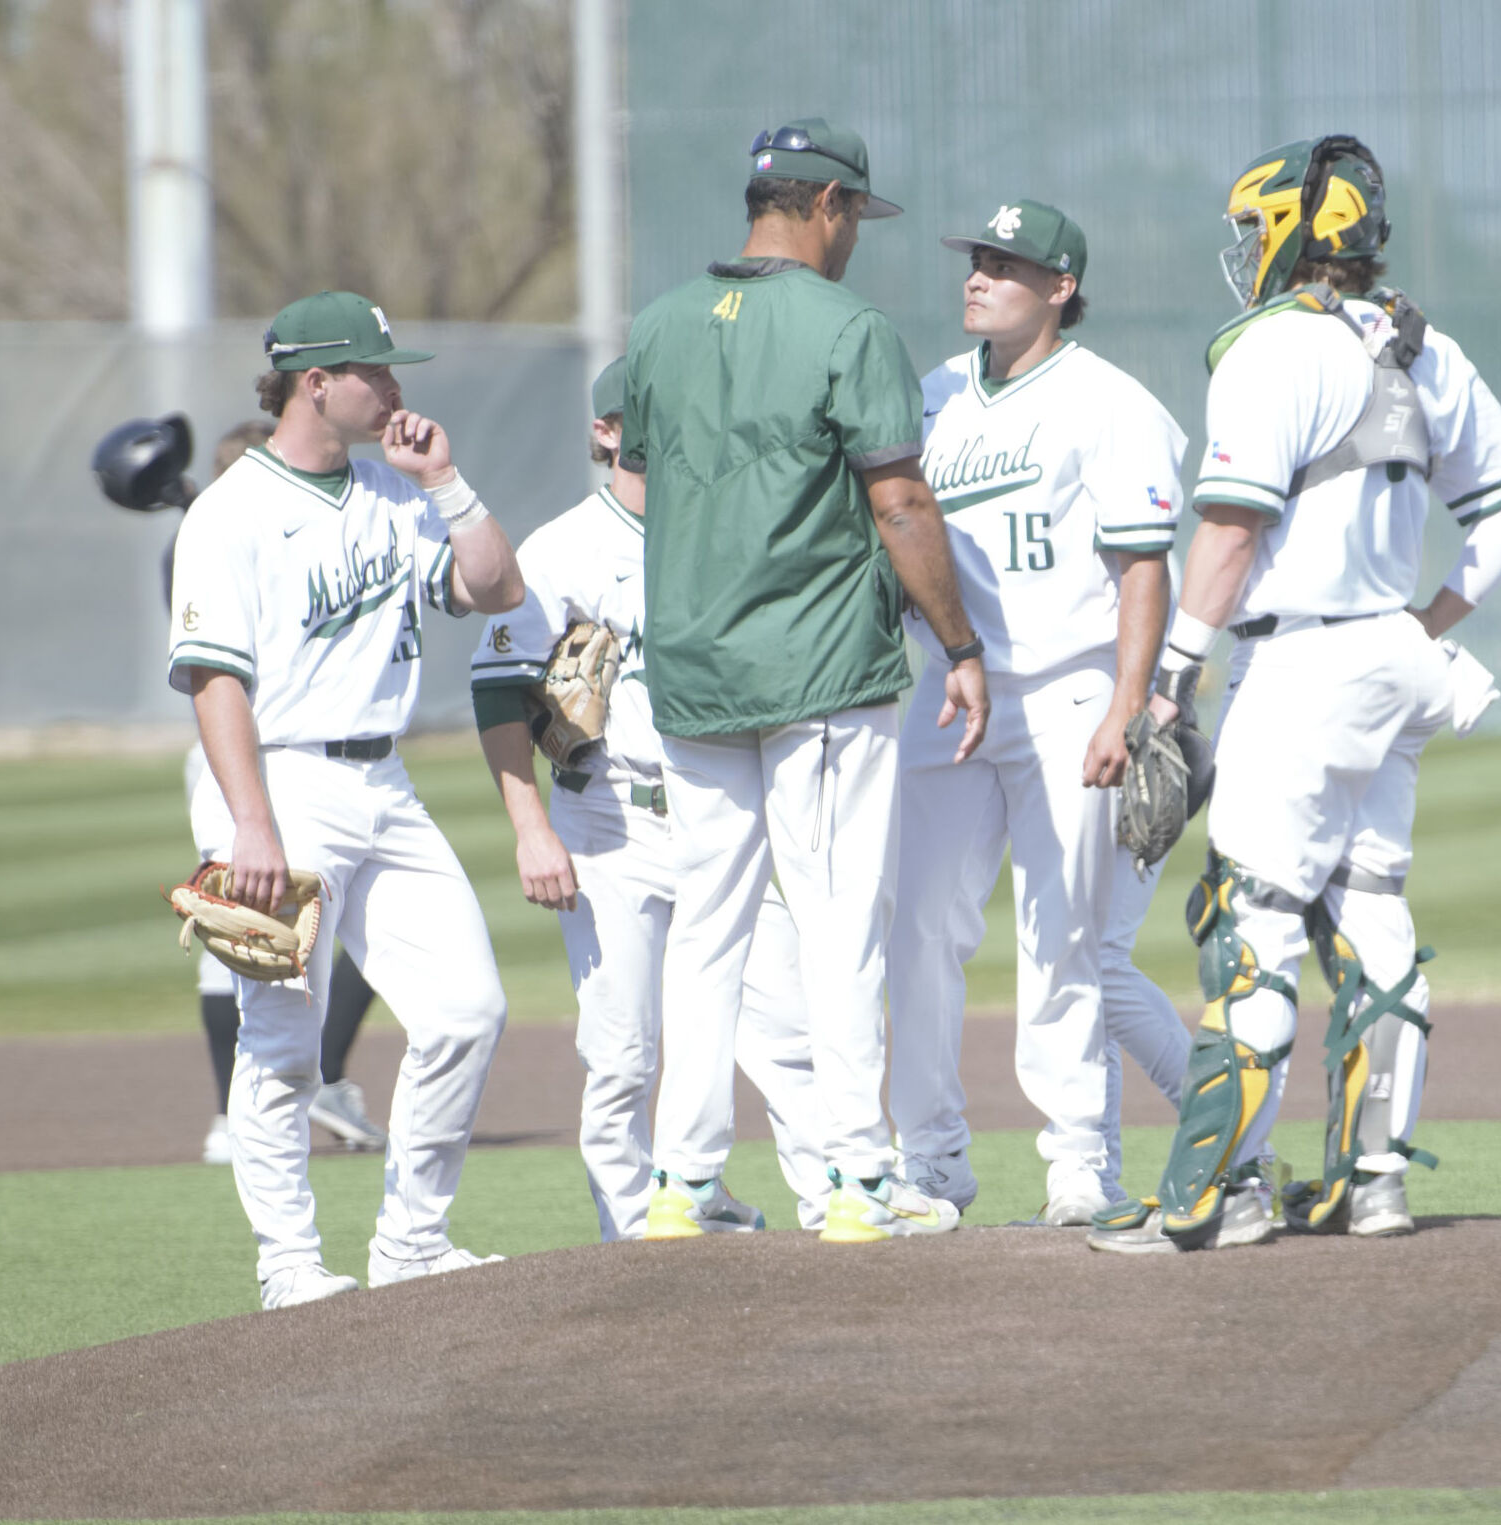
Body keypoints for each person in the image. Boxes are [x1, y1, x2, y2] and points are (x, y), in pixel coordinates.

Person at [1089, 135, 1501, 1253]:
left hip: (1297, 666)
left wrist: (1168, 681)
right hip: (1392, 663)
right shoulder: (1417, 346)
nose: (1243, 247)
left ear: (1300, 230)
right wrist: (1426, 622)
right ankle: (1371, 1180)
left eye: (1254, 227)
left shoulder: (1271, 350)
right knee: (1372, 913)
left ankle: (1216, 1197)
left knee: (1248, 924)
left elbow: (1232, 528)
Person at [618, 117, 990, 1243]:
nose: (855, 238)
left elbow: (633, 472)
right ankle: (855, 1184)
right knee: (838, 927)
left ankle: (681, 1185)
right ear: (824, 206)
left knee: (707, 931)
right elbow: (899, 501)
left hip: (691, 666)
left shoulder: (661, 322)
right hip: (819, 667)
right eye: (853, 218)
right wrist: (962, 649)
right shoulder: (848, 326)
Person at [169, 290, 525, 1307]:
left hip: (385, 780)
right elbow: (213, 680)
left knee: (466, 1009)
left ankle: (411, 1240)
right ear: (315, 383)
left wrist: (448, 482)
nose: (396, 385)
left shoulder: (398, 491)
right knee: (281, 1039)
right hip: (277, 781)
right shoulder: (228, 512)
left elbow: (496, 589)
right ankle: (288, 1264)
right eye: (377, 369)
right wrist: (249, 821)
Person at [471, 358, 830, 1239]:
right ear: (606, 432)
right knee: (623, 1050)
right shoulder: (558, 550)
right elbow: (495, 688)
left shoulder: (729, 529)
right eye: (651, 415)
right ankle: (636, 1234)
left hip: (723, 810)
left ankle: (832, 1203)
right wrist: (529, 829)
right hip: (608, 818)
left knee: (787, 1026)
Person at [888, 198, 1190, 1222]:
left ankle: (1077, 1163)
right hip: (945, 691)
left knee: (1060, 935)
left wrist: (1125, 703)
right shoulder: (929, 397)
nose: (978, 277)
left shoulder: (1111, 403)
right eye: (975, 258)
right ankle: (928, 1158)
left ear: (1059, 288)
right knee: (919, 924)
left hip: (1067, 687)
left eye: (1005, 264)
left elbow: (1142, 567)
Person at [170, 422, 388, 1166]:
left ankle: (301, 1082)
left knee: (344, 924)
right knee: (241, 935)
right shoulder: (212, 536)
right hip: (240, 756)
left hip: (302, 756)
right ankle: (246, 1108)